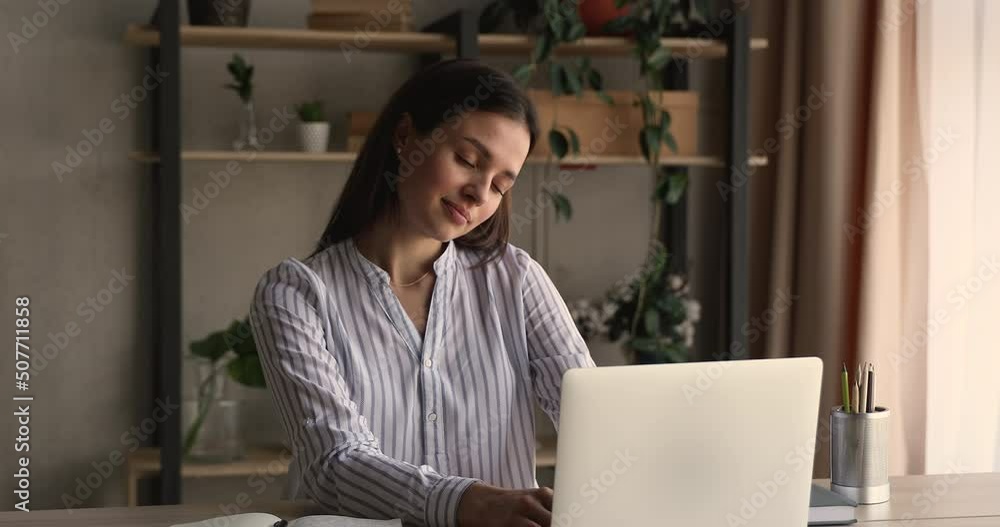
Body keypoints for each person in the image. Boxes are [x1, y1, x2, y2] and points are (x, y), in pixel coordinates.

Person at [249, 58, 596, 527]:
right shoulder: (296, 294)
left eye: (500, 185)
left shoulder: (516, 280)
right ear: (405, 136)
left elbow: (594, 420)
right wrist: (466, 502)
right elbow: (333, 463)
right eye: (468, 161)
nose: (478, 194)